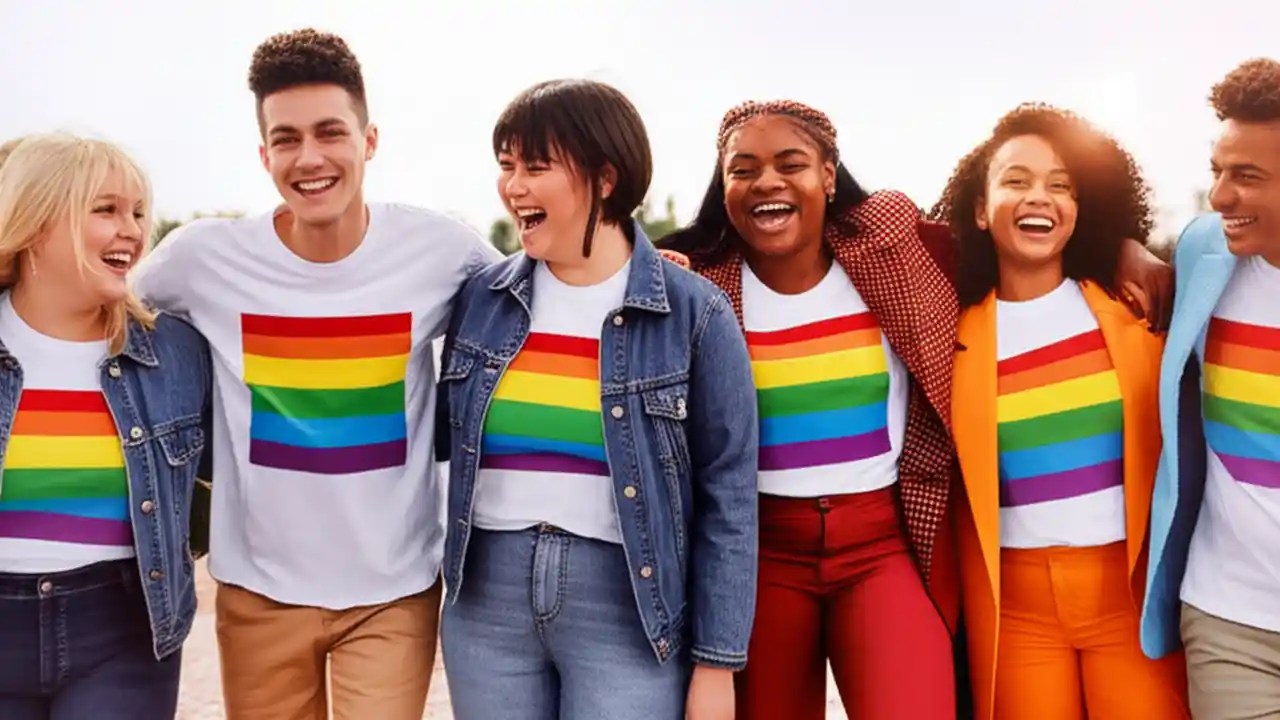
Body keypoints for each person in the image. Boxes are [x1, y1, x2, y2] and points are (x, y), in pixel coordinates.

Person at [659, 99, 1177, 719]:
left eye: (790, 163)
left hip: (880, 546)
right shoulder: (698, 285)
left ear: (828, 174)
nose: (767, 181)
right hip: (762, 554)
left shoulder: (895, 252)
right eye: (743, 169)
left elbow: (1010, 236)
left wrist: (1119, 245)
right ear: (723, 184)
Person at [129, 28, 500, 720]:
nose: (310, 158)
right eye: (287, 138)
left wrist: (660, 275)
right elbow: (100, 313)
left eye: (331, 132)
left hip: (393, 591)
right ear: (264, 152)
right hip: (257, 592)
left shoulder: (440, 248)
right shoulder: (203, 258)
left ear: (370, 139)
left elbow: (537, 302)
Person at [435, 78, 759, 720]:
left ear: (605, 177)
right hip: (486, 602)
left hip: (630, 603)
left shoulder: (695, 314)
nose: (513, 186)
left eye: (536, 166)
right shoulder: (481, 301)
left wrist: (718, 663)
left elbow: (729, 497)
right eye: (507, 166)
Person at [933, 103, 1189, 720]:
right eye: (1016, 180)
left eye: (1061, 186)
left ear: (1081, 208)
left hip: (1130, 604)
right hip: (1017, 613)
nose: (1039, 198)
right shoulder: (950, 336)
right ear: (978, 206)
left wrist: (1125, 246)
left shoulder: (1136, 312)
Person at [0, 133, 211, 720]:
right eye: (106, 209)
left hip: (121, 630)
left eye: (139, 212)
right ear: (37, 221)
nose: (133, 230)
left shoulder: (176, 351)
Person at [1142, 57, 1280, 720]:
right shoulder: (1204, 252)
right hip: (1230, 619)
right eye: (1217, 171)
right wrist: (1120, 245)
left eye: (1246, 177)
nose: (1220, 196)